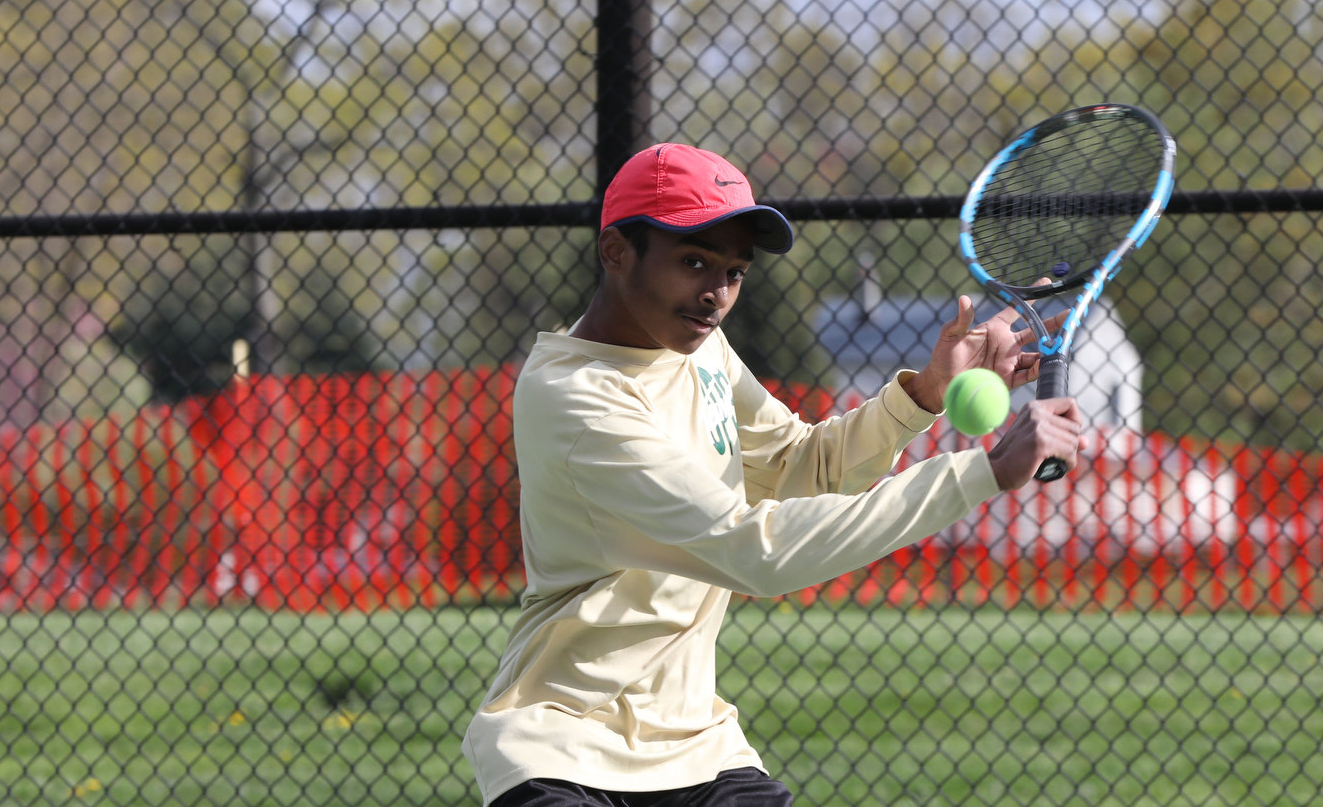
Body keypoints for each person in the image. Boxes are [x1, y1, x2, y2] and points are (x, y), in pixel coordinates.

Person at [462, 143, 1084, 806]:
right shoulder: (577, 397)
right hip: (562, 747)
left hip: (697, 747)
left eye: (734, 271)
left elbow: (803, 465)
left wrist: (925, 392)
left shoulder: (700, 349)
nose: (716, 294)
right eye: (694, 261)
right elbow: (755, 551)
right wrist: (984, 472)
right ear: (616, 251)